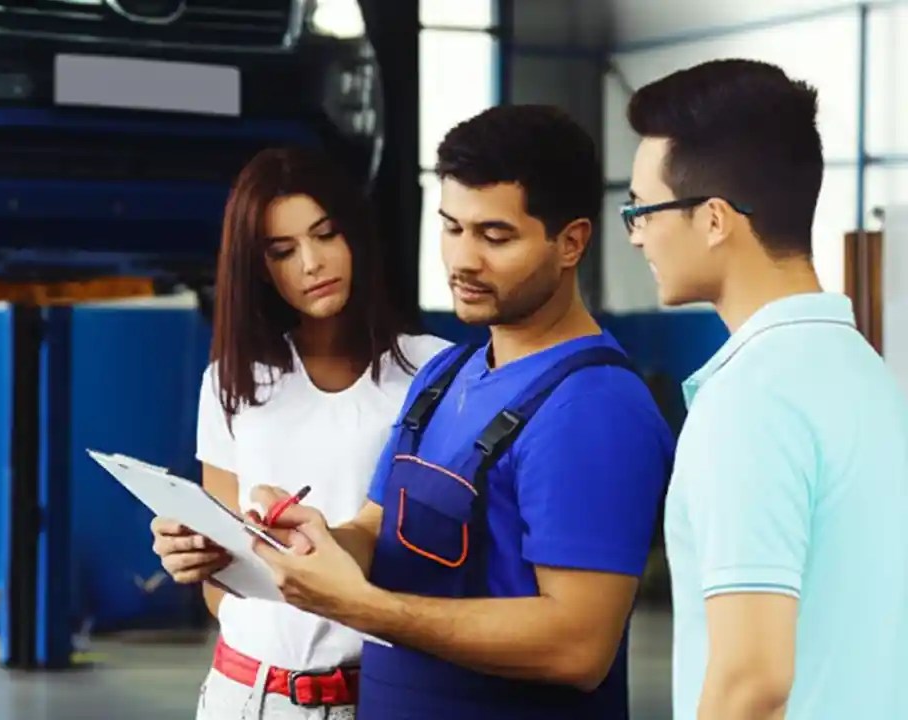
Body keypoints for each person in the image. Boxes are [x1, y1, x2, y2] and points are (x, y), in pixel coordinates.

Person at [168, 105, 676, 718]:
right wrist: (308, 540)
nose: (463, 260)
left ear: (570, 243)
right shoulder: (447, 376)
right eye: (451, 228)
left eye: (495, 236)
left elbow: (577, 646)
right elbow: (377, 530)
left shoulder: (594, 407)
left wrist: (359, 606)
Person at [624, 58, 908, 720]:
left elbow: (752, 680)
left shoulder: (750, 400)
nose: (636, 234)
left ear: (715, 219)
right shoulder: (866, 373)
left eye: (642, 209)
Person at [150, 146, 450, 719]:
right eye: (283, 251)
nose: (311, 263)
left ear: (355, 235)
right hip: (246, 697)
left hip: (381, 695)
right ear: (258, 268)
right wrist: (192, 556)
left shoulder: (433, 372)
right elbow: (222, 582)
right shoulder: (232, 382)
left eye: (325, 234)